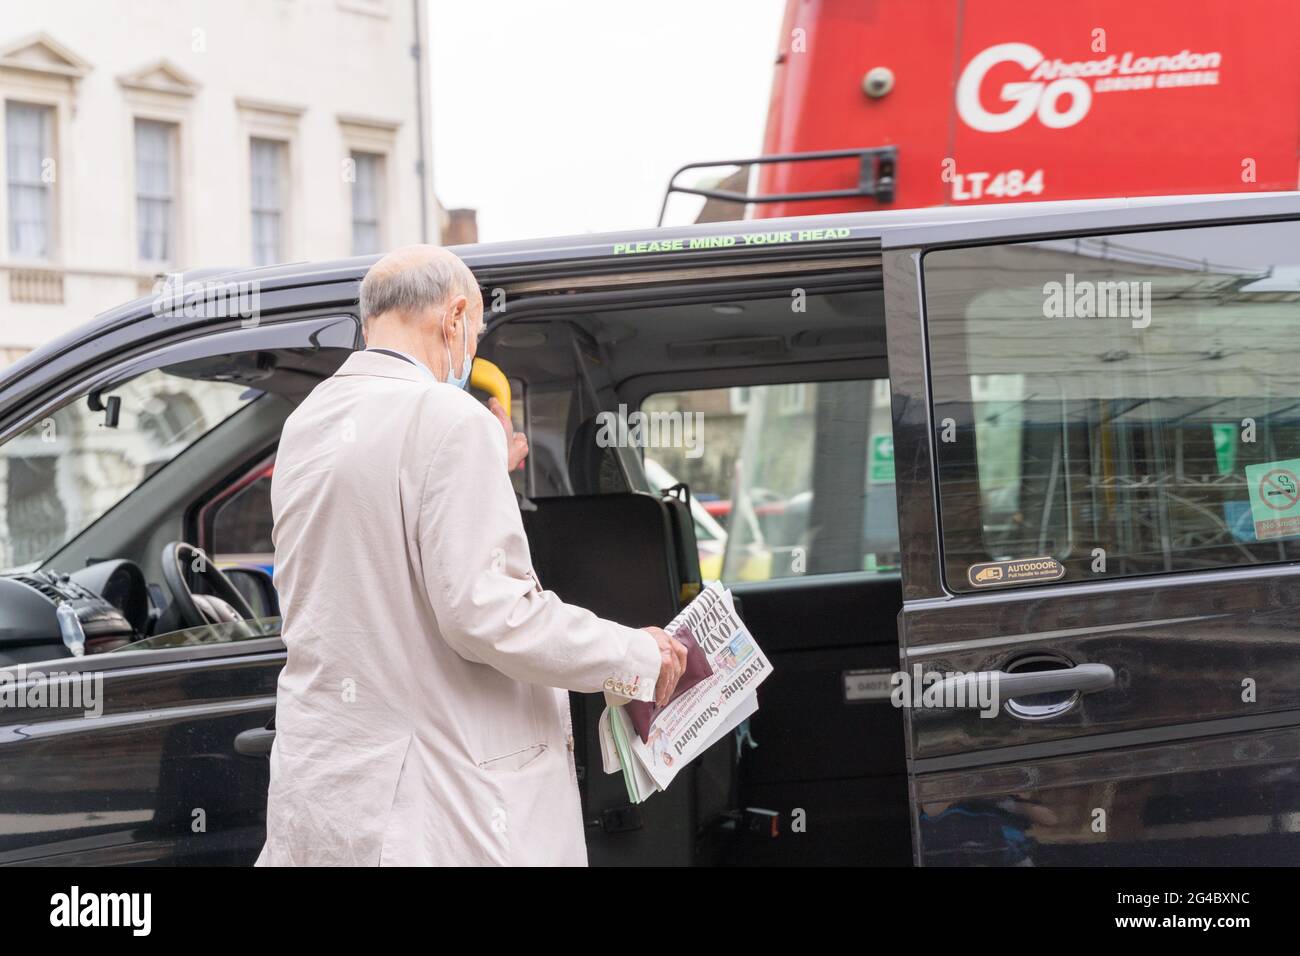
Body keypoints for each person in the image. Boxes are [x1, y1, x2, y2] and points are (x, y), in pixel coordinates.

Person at [256, 245, 687, 866]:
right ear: (454, 316)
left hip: (329, 797)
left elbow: (373, 537)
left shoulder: (310, 421)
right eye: (476, 332)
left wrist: (485, 470)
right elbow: (489, 615)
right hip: (430, 805)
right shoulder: (448, 417)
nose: (470, 349)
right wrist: (637, 655)